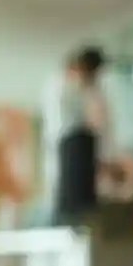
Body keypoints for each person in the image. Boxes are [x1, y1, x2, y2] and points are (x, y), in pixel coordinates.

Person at [54, 46, 110, 225]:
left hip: (83, 142)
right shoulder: (66, 86)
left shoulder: (88, 89)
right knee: (74, 198)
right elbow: (91, 119)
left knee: (84, 198)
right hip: (74, 142)